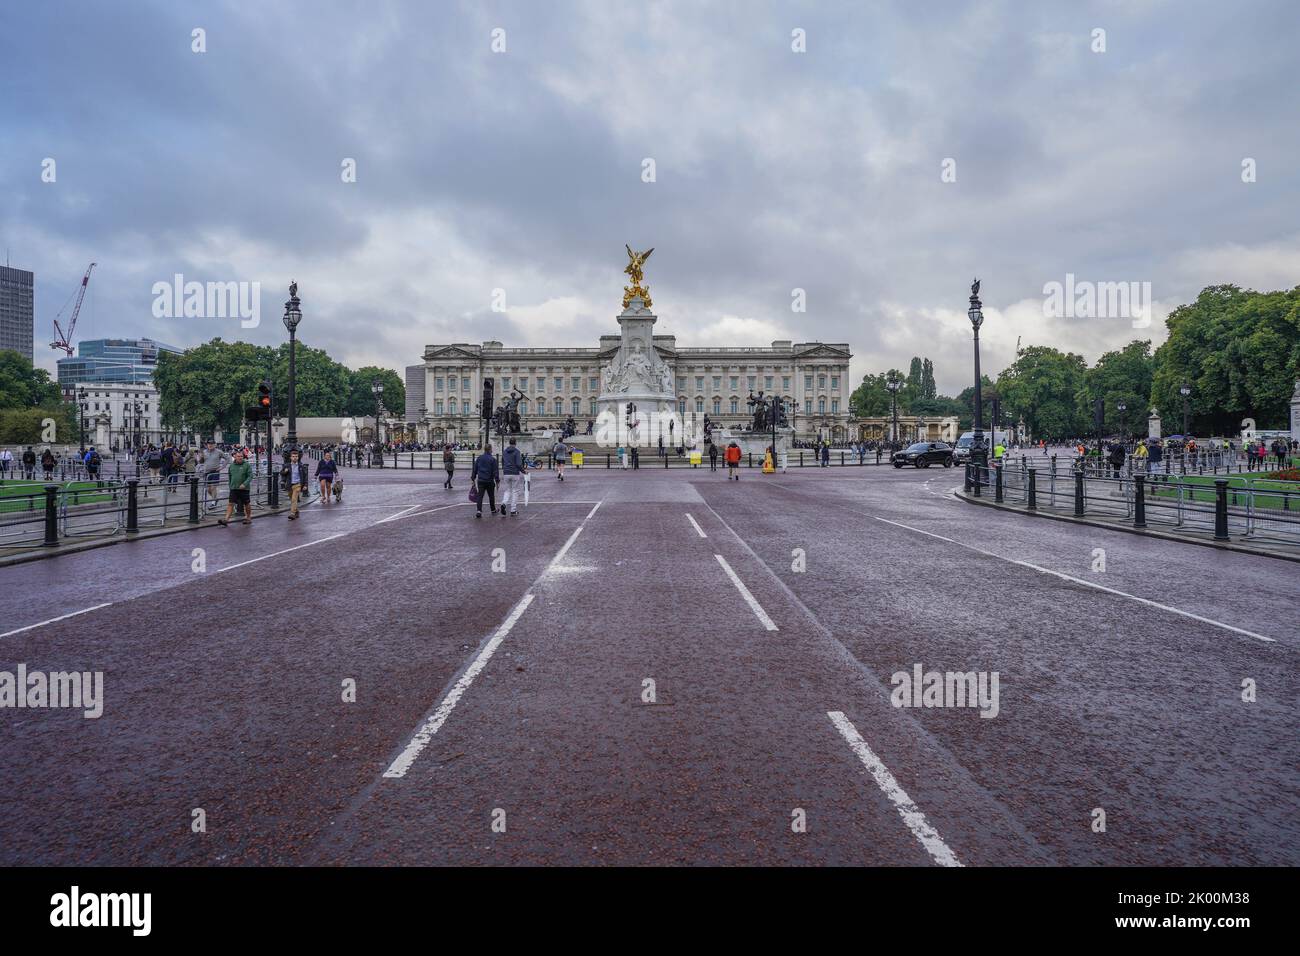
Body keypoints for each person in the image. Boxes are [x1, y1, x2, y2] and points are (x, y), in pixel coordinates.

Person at [218, 449, 253, 526]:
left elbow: (250, 476)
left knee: (246, 503)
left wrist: (245, 484)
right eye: (238, 456)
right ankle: (226, 520)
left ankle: (248, 518)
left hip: (244, 489)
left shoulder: (247, 465)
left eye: (241, 456)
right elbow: (230, 476)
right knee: (230, 503)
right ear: (235, 457)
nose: (240, 457)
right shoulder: (231, 466)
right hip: (234, 488)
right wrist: (230, 486)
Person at [197, 440, 230, 511]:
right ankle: (215, 499)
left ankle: (213, 503)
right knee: (208, 489)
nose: (210, 445)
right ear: (207, 445)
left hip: (215, 471)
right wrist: (201, 457)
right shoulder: (204, 452)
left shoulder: (219, 452)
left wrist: (222, 467)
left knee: (213, 488)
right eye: (209, 444)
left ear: (215, 445)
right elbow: (200, 462)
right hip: (206, 472)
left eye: (212, 444)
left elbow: (227, 459)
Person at [500, 437, 527, 517]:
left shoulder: (504, 452)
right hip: (515, 473)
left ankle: (504, 503)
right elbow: (518, 464)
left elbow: (502, 462)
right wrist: (523, 471)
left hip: (506, 473)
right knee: (515, 491)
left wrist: (505, 469)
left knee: (507, 490)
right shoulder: (517, 452)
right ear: (515, 443)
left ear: (509, 443)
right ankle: (513, 510)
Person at [472, 443, 500, 518]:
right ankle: (493, 509)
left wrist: (473, 478)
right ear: (490, 450)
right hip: (489, 480)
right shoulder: (493, 459)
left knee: (480, 496)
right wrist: (497, 481)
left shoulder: (479, 458)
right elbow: (495, 471)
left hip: (481, 480)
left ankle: (479, 511)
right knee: (491, 496)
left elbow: (475, 469)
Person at [282, 449, 308, 520]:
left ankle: (292, 513)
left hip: (298, 484)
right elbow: (282, 473)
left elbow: (305, 476)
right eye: (293, 456)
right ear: (290, 457)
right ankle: (296, 511)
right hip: (290, 485)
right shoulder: (287, 465)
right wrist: (285, 471)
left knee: (294, 499)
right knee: (292, 499)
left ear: (298, 457)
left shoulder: (301, 466)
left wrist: (305, 485)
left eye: (296, 456)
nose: (295, 458)